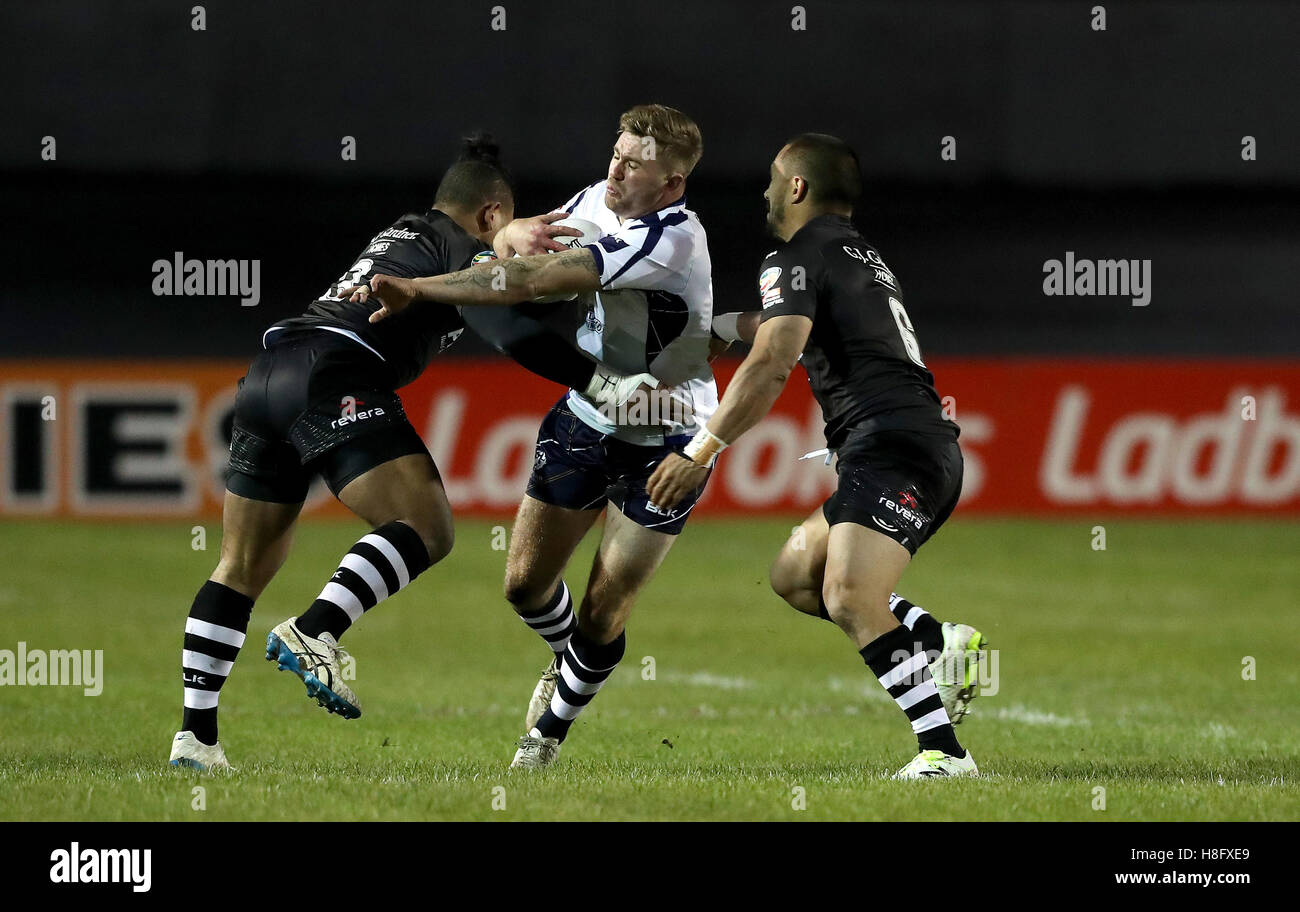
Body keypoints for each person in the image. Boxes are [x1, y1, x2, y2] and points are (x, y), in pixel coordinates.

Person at [169, 136, 644, 773]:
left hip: (267, 371)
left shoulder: (404, 236)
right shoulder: (459, 245)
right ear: (491, 214)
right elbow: (505, 328)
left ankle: (195, 741)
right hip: (333, 375)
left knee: (239, 566)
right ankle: (316, 630)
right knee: (427, 527)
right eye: (513, 229)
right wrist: (596, 381)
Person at [343, 104, 717, 769]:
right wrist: (512, 227)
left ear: (671, 184)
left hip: (668, 436)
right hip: (591, 415)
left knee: (605, 612)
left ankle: (544, 736)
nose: (617, 167)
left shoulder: (672, 239)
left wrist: (423, 288)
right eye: (617, 151)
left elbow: (532, 280)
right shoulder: (595, 201)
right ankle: (567, 658)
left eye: (636, 163)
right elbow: (520, 250)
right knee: (522, 586)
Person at [647, 134, 986, 779]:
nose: (766, 191)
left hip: (893, 446)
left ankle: (944, 754)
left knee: (851, 594)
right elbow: (793, 329)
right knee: (796, 578)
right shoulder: (856, 255)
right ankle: (942, 643)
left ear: (797, 188)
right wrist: (721, 327)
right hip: (906, 444)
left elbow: (775, 360)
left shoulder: (798, 255)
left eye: (774, 178)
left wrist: (701, 449)